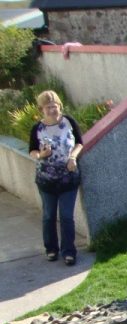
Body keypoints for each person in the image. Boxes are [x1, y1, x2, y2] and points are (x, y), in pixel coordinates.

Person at [28, 90, 83, 266]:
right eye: (48, 107)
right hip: (46, 179)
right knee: (48, 216)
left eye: (55, 106)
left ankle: (69, 252)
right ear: (42, 109)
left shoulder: (69, 122)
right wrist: (41, 155)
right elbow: (32, 151)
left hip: (68, 178)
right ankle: (51, 249)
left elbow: (79, 143)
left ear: (59, 106)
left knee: (66, 216)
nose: (52, 110)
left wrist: (73, 157)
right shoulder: (37, 128)